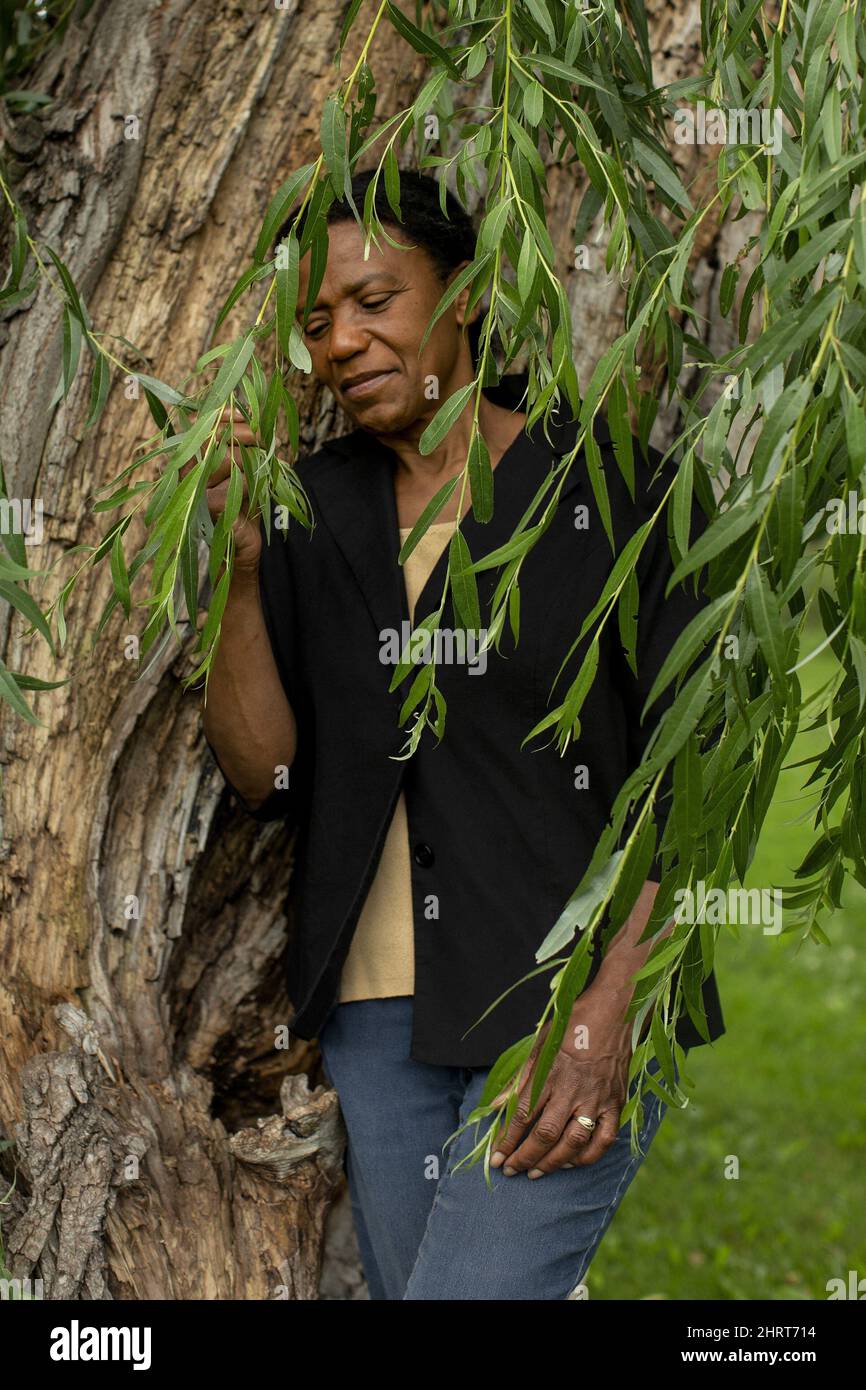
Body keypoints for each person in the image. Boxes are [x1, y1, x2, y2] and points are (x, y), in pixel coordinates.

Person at [202, 169, 724, 1301]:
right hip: (375, 1023)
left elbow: (694, 780)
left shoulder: (612, 493)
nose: (343, 342)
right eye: (315, 323)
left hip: (558, 1003)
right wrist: (241, 573)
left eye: (373, 300)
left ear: (469, 292)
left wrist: (608, 1008)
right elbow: (265, 774)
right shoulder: (309, 510)